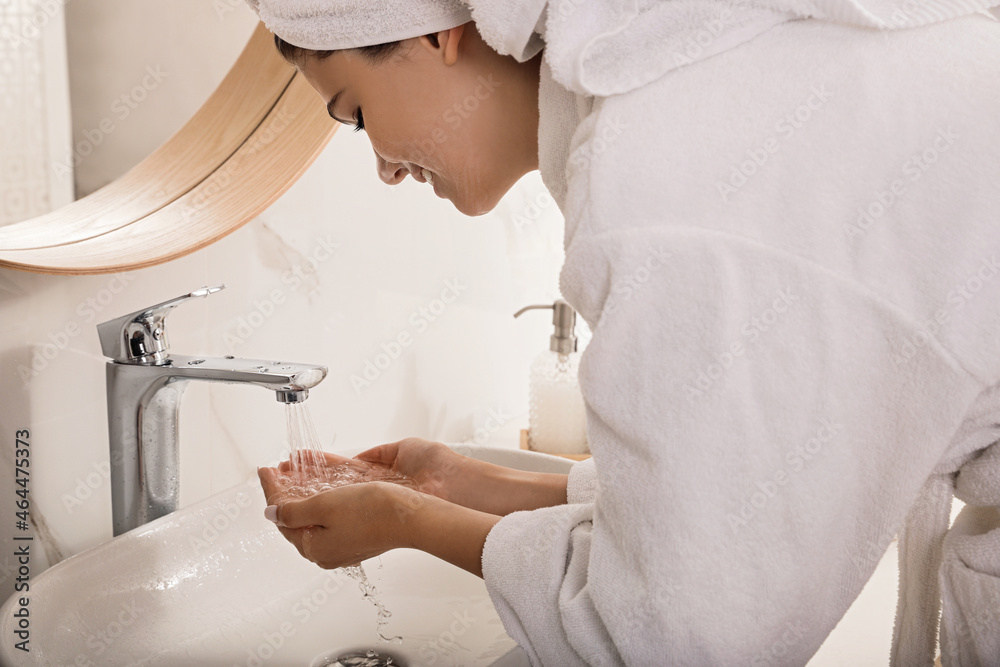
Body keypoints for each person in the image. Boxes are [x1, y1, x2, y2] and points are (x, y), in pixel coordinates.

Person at [249, 0, 1000, 663]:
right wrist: (469, 483)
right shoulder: (704, 76)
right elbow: (714, 504)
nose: (382, 164)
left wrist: (404, 518)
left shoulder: (660, 185)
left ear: (438, 34)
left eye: (353, 114)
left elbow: (687, 636)